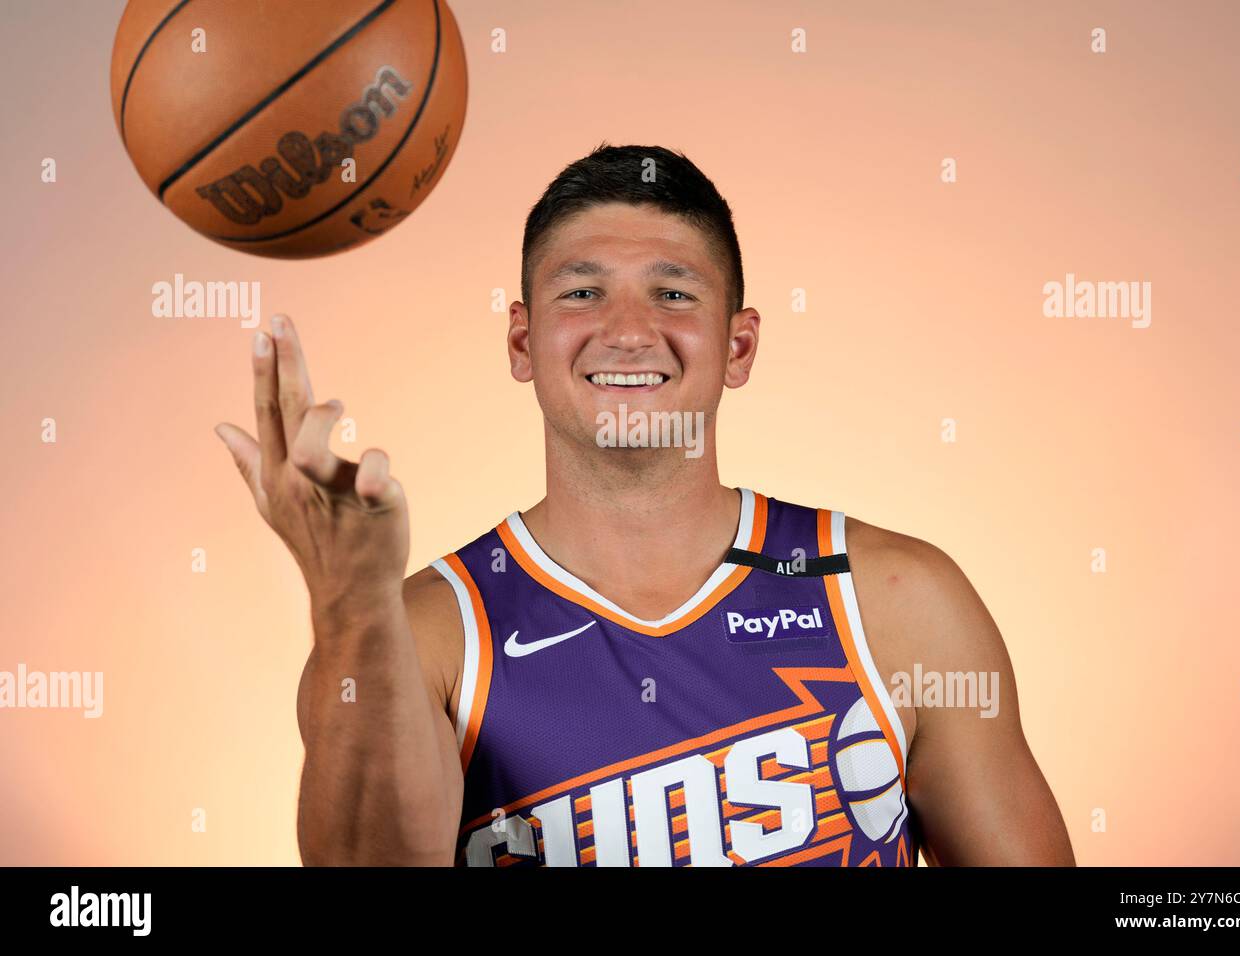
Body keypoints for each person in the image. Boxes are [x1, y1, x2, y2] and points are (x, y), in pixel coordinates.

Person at [215, 144, 1075, 867]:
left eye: (673, 293)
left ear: (738, 346)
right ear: (523, 341)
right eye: (582, 292)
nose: (628, 329)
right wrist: (349, 601)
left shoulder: (892, 602)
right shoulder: (426, 637)